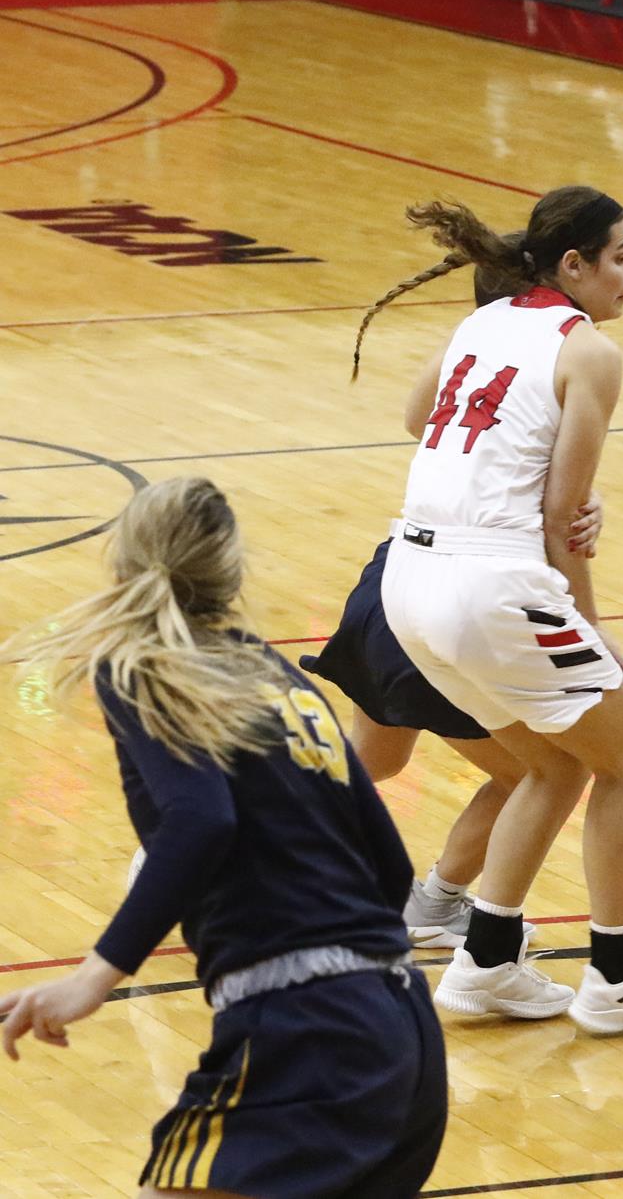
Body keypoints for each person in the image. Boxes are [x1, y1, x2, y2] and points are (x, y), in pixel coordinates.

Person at [0, 476, 449, 1198]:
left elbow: (201, 819)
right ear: (229, 571)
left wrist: (93, 977)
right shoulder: (276, 673)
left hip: (307, 1031)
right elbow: (389, 865)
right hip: (403, 1026)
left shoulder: (143, 665)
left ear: (120, 561)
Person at [352, 185, 623, 1036]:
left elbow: (419, 417)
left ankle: (484, 963)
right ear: (574, 265)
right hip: (491, 583)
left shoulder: (484, 321)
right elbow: (562, 519)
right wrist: (592, 629)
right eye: (621, 256)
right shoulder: (589, 352)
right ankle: (619, 975)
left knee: (556, 764)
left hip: (408, 578)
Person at [303, 254, 606, 951]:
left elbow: (418, 417)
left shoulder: (476, 334)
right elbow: (557, 510)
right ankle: (438, 901)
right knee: (539, 769)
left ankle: (223, 842)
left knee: (370, 760)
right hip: (457, 595)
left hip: (392, 580)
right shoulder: (558, 353)